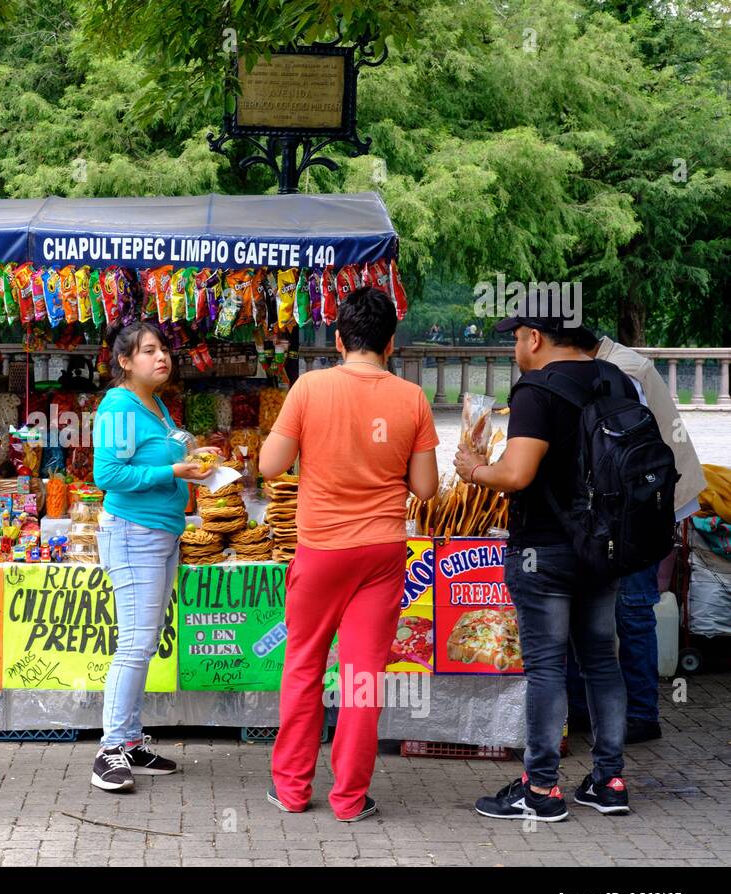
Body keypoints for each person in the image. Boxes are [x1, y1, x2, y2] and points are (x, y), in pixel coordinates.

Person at [259, 287, 439, 821]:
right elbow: (426, 489)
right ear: (391, 344)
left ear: (338, 340)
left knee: (304, 667)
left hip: (320, 551)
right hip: (382, 552)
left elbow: (270, 465)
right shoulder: (412, 398)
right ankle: (349, 800)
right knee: (363, 677)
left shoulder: (310, 388)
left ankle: (292, 791)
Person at [454, 306, 639, 821]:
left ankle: (540, 790)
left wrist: (474, 470)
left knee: (546, 668)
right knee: (602, 661)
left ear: (534, 337)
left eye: (515, 338)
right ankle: (610, 780)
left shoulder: (537, 389)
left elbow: (516, 474)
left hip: (546, 552)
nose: (514, 349)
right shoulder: (618, 382)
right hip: (605, 548)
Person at [90, 321, 217, 792]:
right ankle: (108, 752)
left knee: (143, 640)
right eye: (147, 351)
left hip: (161, 533)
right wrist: (173, 470)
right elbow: (109, 475)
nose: (160, 357)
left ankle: (128, 741)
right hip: (132, 533)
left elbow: (155, 460)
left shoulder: (156, 405)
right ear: (125, 361)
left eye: (162, 349)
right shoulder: (120, 406)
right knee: (136, 643)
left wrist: (194, 463)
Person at [562, 334, 707, 743]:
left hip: (642, 505)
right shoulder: (604, 364)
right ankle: (585, 710)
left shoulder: (624, 370)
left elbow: (627, 449)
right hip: (628, 502)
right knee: (599, 607)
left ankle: (641, 715)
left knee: (634, 610)